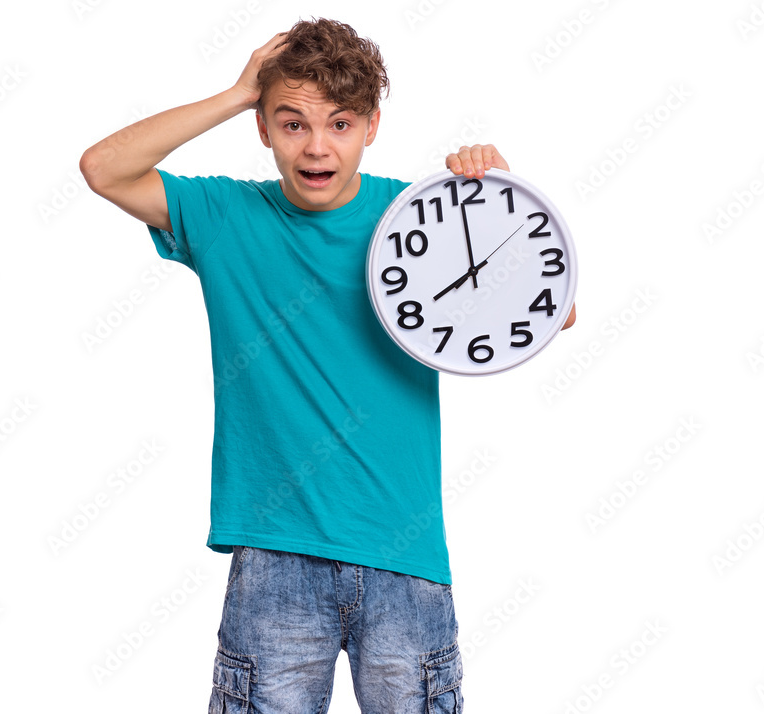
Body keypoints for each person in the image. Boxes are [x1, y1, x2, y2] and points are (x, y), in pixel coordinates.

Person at [81, 17, 574, 713]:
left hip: (404, 560)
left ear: (372, 126)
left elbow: (556, 308)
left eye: (340, 124)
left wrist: (499, 206)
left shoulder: (418, 220)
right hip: (275, 559)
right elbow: (104, 169)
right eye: (291, 123)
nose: (317, 147)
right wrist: (234, 93)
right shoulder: (226, 215)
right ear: (263, 128)